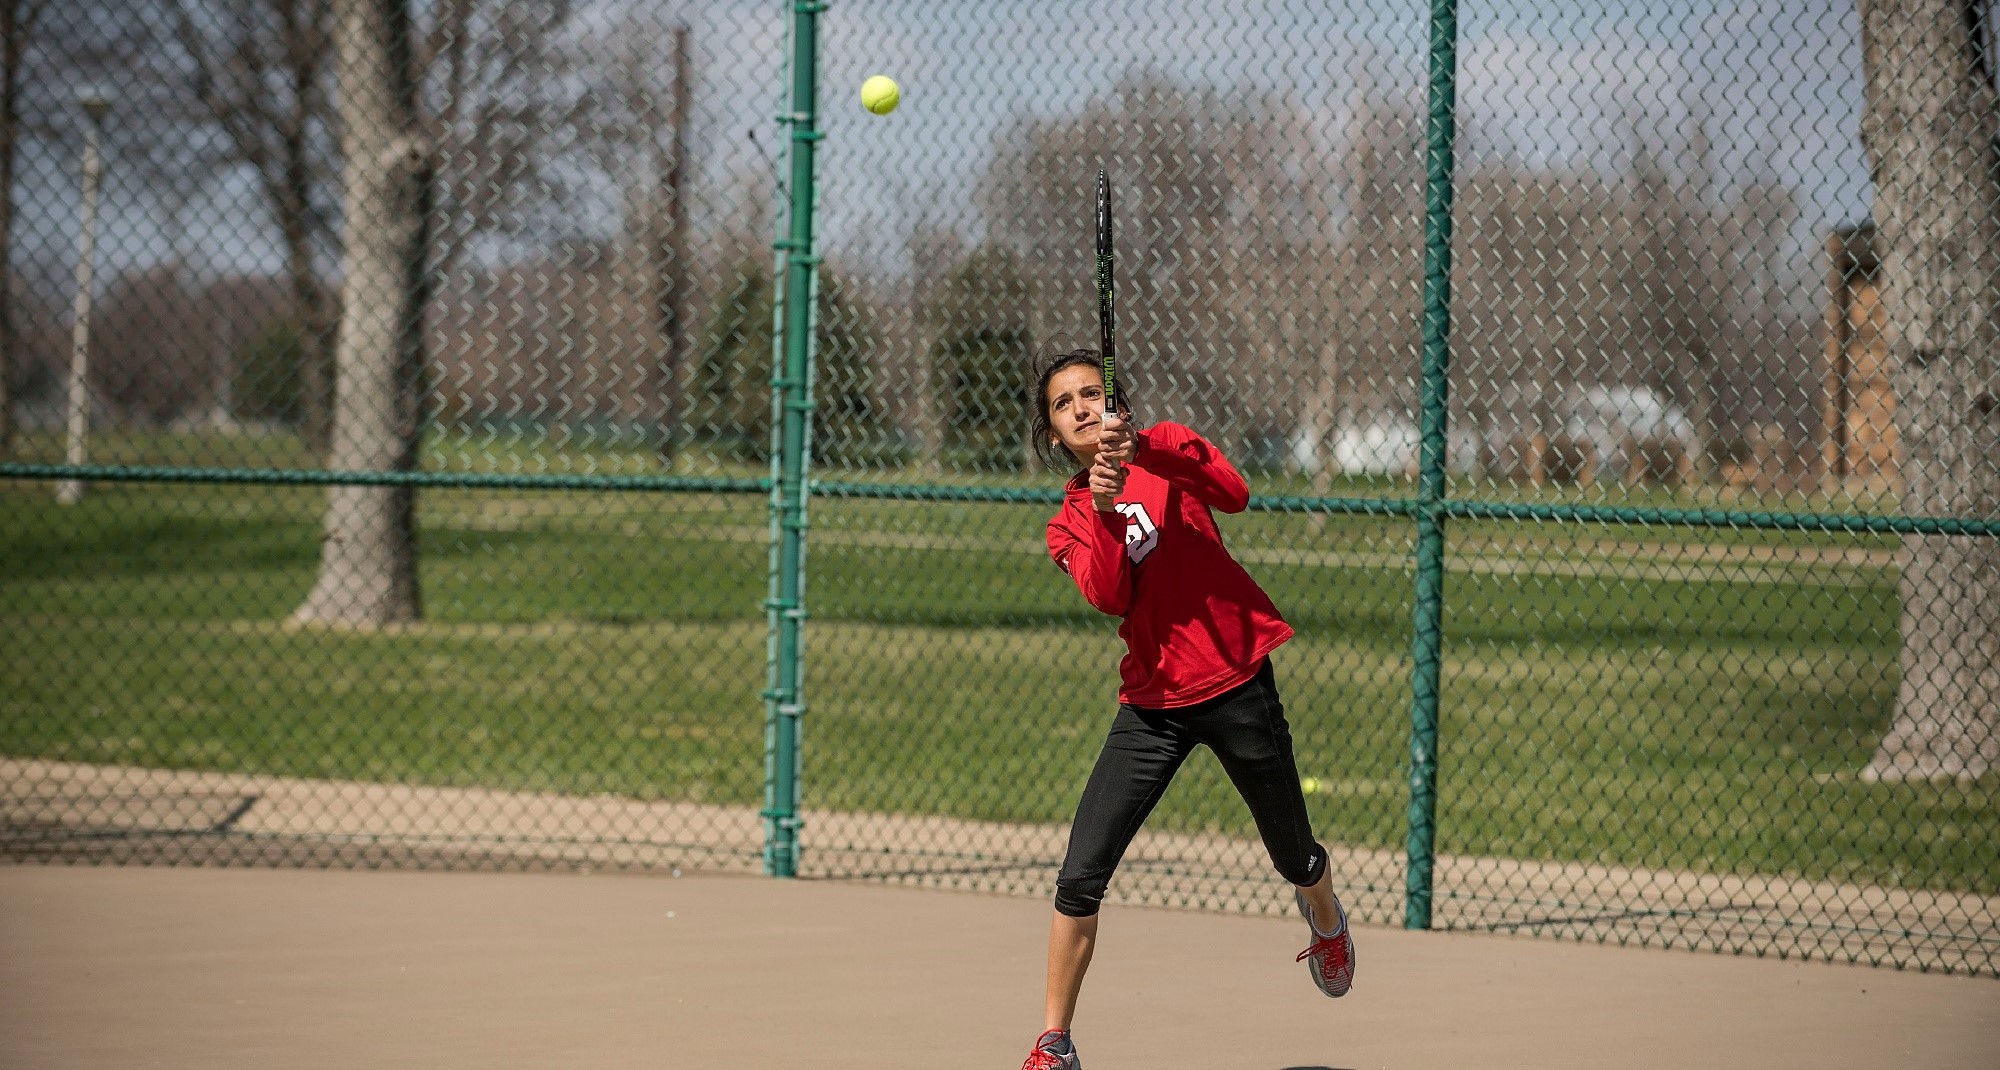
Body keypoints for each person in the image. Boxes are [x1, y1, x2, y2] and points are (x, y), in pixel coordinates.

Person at [1018, 347, 1356, 1070]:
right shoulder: (1069, 521)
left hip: (1236, 682)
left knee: (1292, 852)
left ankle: (1324, 912)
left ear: (1118, 405)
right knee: (1080, 873)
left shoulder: (1164, 457)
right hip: (1152, 707)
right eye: (1062, 404)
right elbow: (1110, 594)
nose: (1080, 407)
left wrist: (1152, 446)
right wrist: (1105, 510)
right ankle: (1054, 1043)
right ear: (1051, 434)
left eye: (1090, 394)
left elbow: (1234, 492)